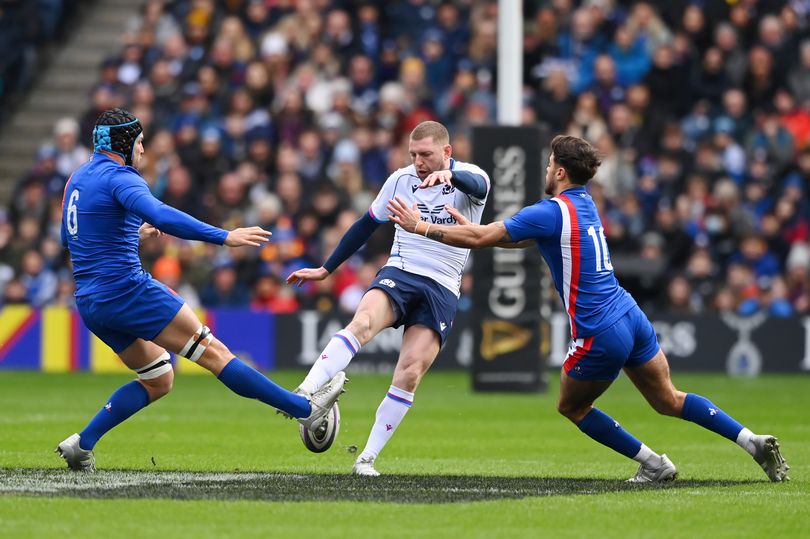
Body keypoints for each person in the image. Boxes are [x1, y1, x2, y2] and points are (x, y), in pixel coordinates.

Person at [387, 134, 789, 482]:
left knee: (572, 405)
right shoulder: (584, 203)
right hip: (630, 315)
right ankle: (750, 440)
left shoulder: (548, 211)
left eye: (550, 164)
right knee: (669, 398)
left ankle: (653, 464)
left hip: (599, 329)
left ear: (560, 171)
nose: (547, 169)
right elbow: (513, 238)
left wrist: (420, 226)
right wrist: (475, 231)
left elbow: (485, 237)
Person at [56, 108, 346, 472]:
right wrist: (225, 236)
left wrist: (127, 233)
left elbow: (69, 237)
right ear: (124, 144)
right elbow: (161, 215)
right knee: (215, 354)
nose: (143, 150)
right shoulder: (122, 178)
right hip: (127, 290)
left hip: (90, 302)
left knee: (158, 378)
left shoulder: (77, 178)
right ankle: (305, 409)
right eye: (140, 142)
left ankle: (82, 444)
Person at [286, 121, 490, 476]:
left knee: (410, 373)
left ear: (447, 152)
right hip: (402, 270)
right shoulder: (400, 180)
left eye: (426, 154)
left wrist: (451, 176)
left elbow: (479, 185)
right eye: (413, 154)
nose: (418, 162)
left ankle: (366, 459)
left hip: (442, 285)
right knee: (362, 322)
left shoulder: (470, 179)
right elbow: (366, 224)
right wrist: (326, 269)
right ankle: (305, 392)